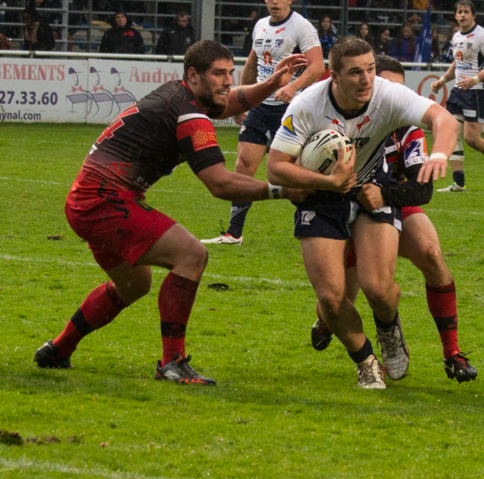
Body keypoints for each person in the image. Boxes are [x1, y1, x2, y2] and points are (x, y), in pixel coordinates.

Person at [33, 41, 308, 384]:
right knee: (191, 255)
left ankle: (57, 349)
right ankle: (172, 362)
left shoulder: (182, 97)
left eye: (230, 73)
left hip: (91, 199)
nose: (228, 81)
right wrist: (284, 190)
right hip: (104, 200)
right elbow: (220, 184)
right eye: (219, 74)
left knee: (134, 285)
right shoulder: (189, 113)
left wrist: (271, 84)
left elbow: (230, 102)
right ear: (193, 76)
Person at [266, 37, 459, 389]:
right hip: (322, 197)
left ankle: (388, 328)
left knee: (379, 289)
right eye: (355, 72)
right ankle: (365, 360)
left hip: (372, 190)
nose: (366, 79)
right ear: (333, 76)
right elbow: (276, 168)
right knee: (330, 297)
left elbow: (444, 120)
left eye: (370, 69)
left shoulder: (387, 94)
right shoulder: (307, 104)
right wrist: (326, 181)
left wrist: (440, 155)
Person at [310, 55, 478, 383]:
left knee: (431, 253)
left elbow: (421, 190)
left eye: (400, 90)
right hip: (344, 207)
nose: (395, 97)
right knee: (338, 299)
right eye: (387, 88)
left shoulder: (408, 127)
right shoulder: (337, 121)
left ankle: (452, 352)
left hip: (390, 201)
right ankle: (325, 321)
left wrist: (385, 195)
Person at [202, 0, 324, 245]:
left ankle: (319, 225)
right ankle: (234, 233)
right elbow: (252, 63)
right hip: (261, 108)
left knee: (298, 173)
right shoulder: (260, 25)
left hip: (291, 110)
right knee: (243, 166)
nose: (275, 1)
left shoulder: (301, 27)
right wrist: (240, 100)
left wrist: (293, 88)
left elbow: (317, 67)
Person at [431, 0, 484, 193]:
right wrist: (442, 80)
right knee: (451, 133)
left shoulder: (483, 36)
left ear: (473, 15)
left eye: (466, 12)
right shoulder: (457, 36)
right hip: (458, 91)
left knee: (472, 139)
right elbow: (457, 64)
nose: (462, 15)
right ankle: (458, 183)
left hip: (476, 92)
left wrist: (474, 80)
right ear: (455, 15)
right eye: (459, 12)